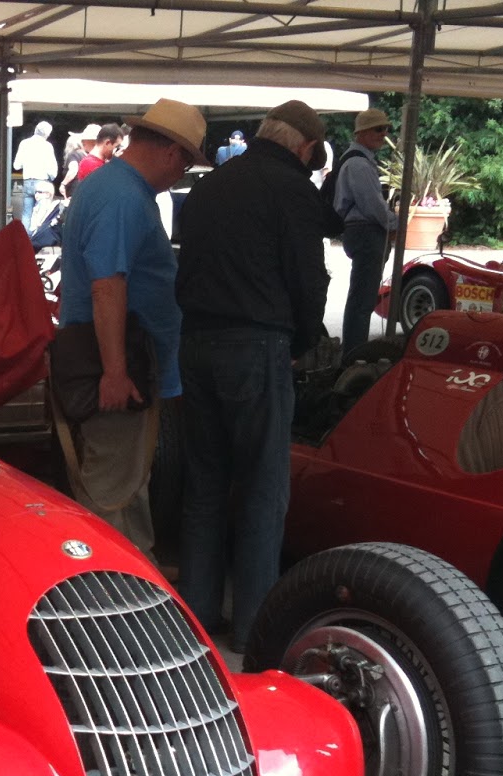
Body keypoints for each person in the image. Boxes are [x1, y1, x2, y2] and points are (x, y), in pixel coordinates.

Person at [175, 99, 329, 652]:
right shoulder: (291, 190)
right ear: (305, 147)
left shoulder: (210, 185)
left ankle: (195, 616)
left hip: (195, 341)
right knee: (264, 488)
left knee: (206, 485)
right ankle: (255, 631)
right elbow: (309, 282)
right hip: (256, 343)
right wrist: (305, 342)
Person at [58, 99, 204, 557]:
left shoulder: (116, 188)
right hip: (116, 363)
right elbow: (108, 286)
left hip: (122, 357)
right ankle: (111, 592)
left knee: (123, 485)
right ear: (170, 153)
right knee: (113, 492)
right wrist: (115, 371)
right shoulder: (121, 195)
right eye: (185, 161)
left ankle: (123, 580)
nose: (182, 173)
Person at [333, 107, 397, 357]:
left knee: (361, 297)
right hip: (365, 232)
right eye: (378, 129)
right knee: (362, 300)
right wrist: (395, 224)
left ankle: (353, 353)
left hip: (360, 231)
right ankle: (354, 356)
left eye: (385, 129)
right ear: (362, 133)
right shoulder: (359, 164)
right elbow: (373, 207)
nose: (384, 134)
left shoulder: (358, 161)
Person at [13, 120, 58, 229]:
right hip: (42, 183)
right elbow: (52, 169)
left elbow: (16, 165)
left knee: (26, 214)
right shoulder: (47, 146)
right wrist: (52, 177)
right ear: (47, 134)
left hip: (28, 182)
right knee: (40, 214)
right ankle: (35, 240)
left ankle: (23, 240)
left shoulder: (24, 143)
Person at [73, 123, 120, 189]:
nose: (82, 141)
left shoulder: (94, 161)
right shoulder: (91, 163)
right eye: (116, 146)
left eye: (85, 139)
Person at [58, 124, 97, 198]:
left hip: (75, 191)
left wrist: (63, 184)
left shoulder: (74, 155)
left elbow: (73, 170)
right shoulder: (86, 155)